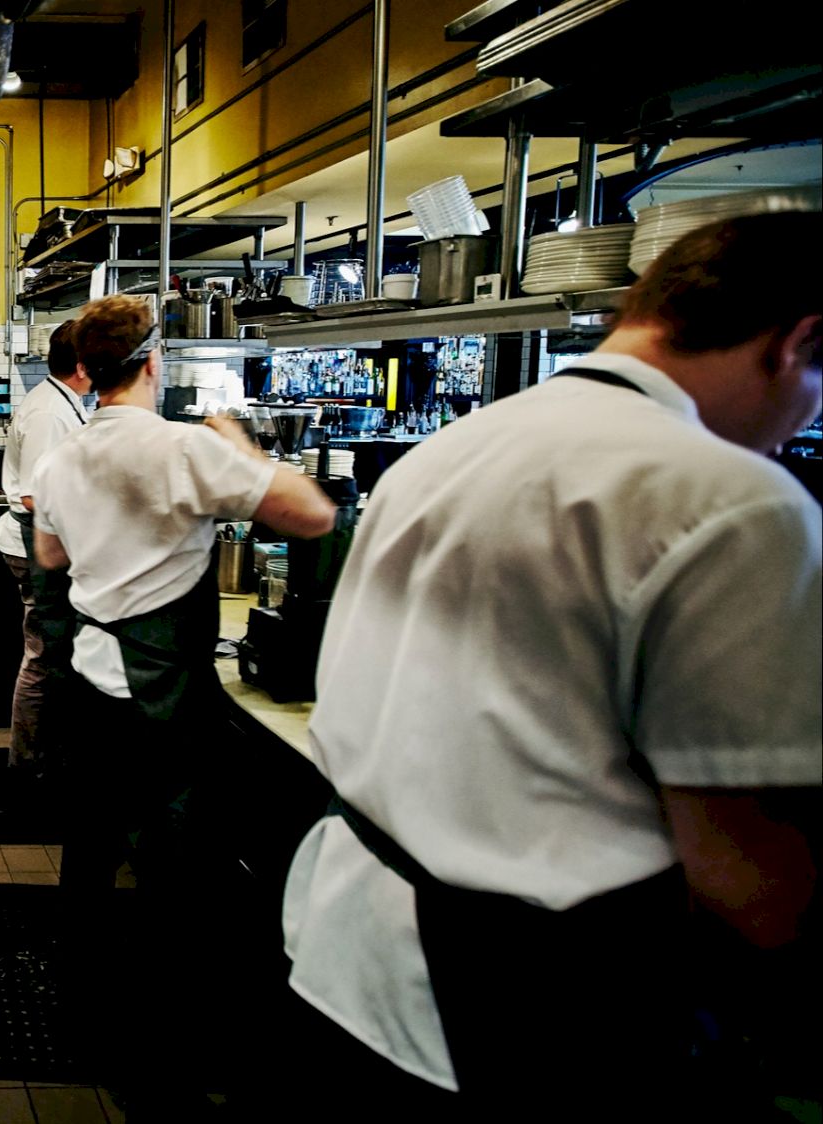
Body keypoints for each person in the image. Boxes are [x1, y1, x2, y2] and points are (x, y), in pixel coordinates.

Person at [279, 212, 822, 1114]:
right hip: (518, 996)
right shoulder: (732, 500)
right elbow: (749, 881)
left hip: (345, 944)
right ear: (801, 342)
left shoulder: (451, 445)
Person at [27, 293, 336, 1106]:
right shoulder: (187, 449)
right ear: (155, 363)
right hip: (163, 692)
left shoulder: (62, 460)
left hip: (91, 678)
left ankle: (81, 1005)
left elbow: (50, 552)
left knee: (89, 847)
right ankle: (161, 1047)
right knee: (169, 861)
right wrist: (234, 438)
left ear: (87, 372)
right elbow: (312, 514)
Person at [0, 321, 89, 771]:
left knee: (49, 652)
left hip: (40, 539)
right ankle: (27, 762)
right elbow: (34, 495)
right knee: (44, 655)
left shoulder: (62, 402)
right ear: (84, 366)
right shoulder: (51, 412)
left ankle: (42, 753)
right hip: (36, 541)